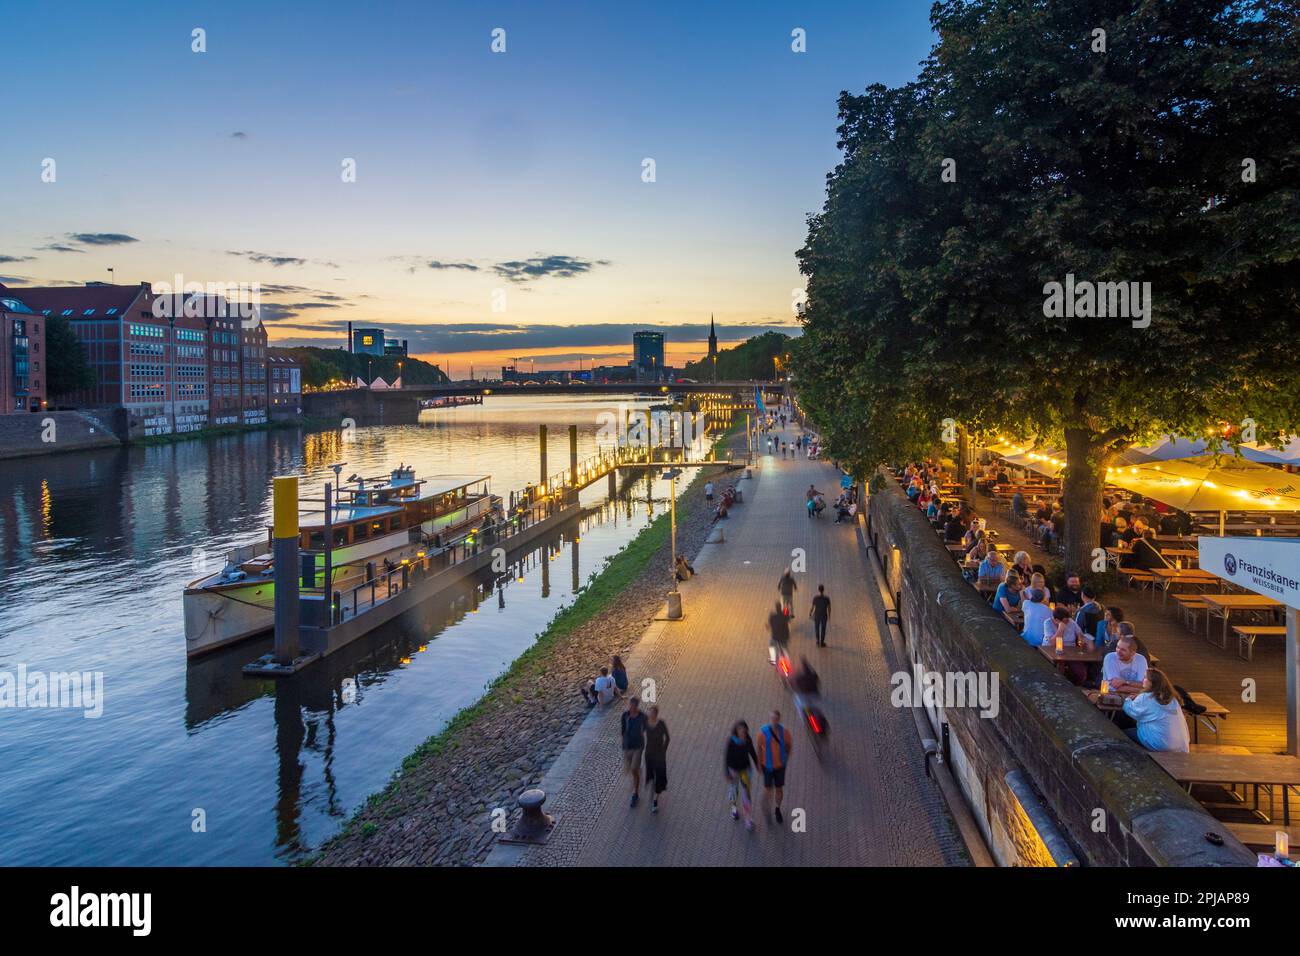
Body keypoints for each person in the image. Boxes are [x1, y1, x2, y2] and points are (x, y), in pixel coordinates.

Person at [1121, 669, 1190, 753]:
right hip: (1180, 745)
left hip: (1160, 744)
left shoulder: (1145, 697)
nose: (1143, 680)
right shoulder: (1172, 699)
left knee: (1123, 734)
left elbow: (1131, 710)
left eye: (1145, 678)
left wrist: (1127, 700)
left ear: (1152, 683)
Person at [756, 711, 792, 824]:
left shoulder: (784, 732)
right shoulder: (763, 733)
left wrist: (786, 758)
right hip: (768, 766)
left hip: (780, 766)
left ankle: (777, 809)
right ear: (769, 719)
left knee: (779, 789)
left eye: (776, 719)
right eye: (772, 718)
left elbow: (789, 745)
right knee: (768, 789)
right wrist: (759, 764)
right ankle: (765, 803)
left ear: (779, 719)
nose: (774, 721)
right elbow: (759, 748)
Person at [725, 721, 758, 830]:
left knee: (746, 794)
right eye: (740, 729)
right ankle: (734, 808)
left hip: (745, 771)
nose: (742, 732)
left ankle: (748, 818)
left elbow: (752, 752)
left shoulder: (747, 740)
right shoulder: (731, 741)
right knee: (734, 791)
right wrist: (727, 773)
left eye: (744, 729)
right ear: (736, 730)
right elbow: (727, 758)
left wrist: (758, 765)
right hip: (733, 770)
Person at [620, 697, 648, 808]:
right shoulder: (625, 716)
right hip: (628, 746)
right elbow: (622, 730)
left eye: (633, 706)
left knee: (633, 768)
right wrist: (623, 744)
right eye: (629, 706)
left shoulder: (642, 717)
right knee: (631, 770)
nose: (630, 708)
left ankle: (635, 793)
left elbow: (646, 727)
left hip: (638, 746)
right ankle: (637, 772)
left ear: (636, 706)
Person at [643, 704, 670, 813]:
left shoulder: (661, 724)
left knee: (659, 776)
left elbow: (667, 738)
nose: (650, 714)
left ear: (656, 714)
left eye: (652, 713)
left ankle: (655, 801)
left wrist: (664, 750)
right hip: (649, 753)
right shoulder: (646, 723)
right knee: (651, 773)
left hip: (659, 754)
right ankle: (652, 782)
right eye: (649, 713)